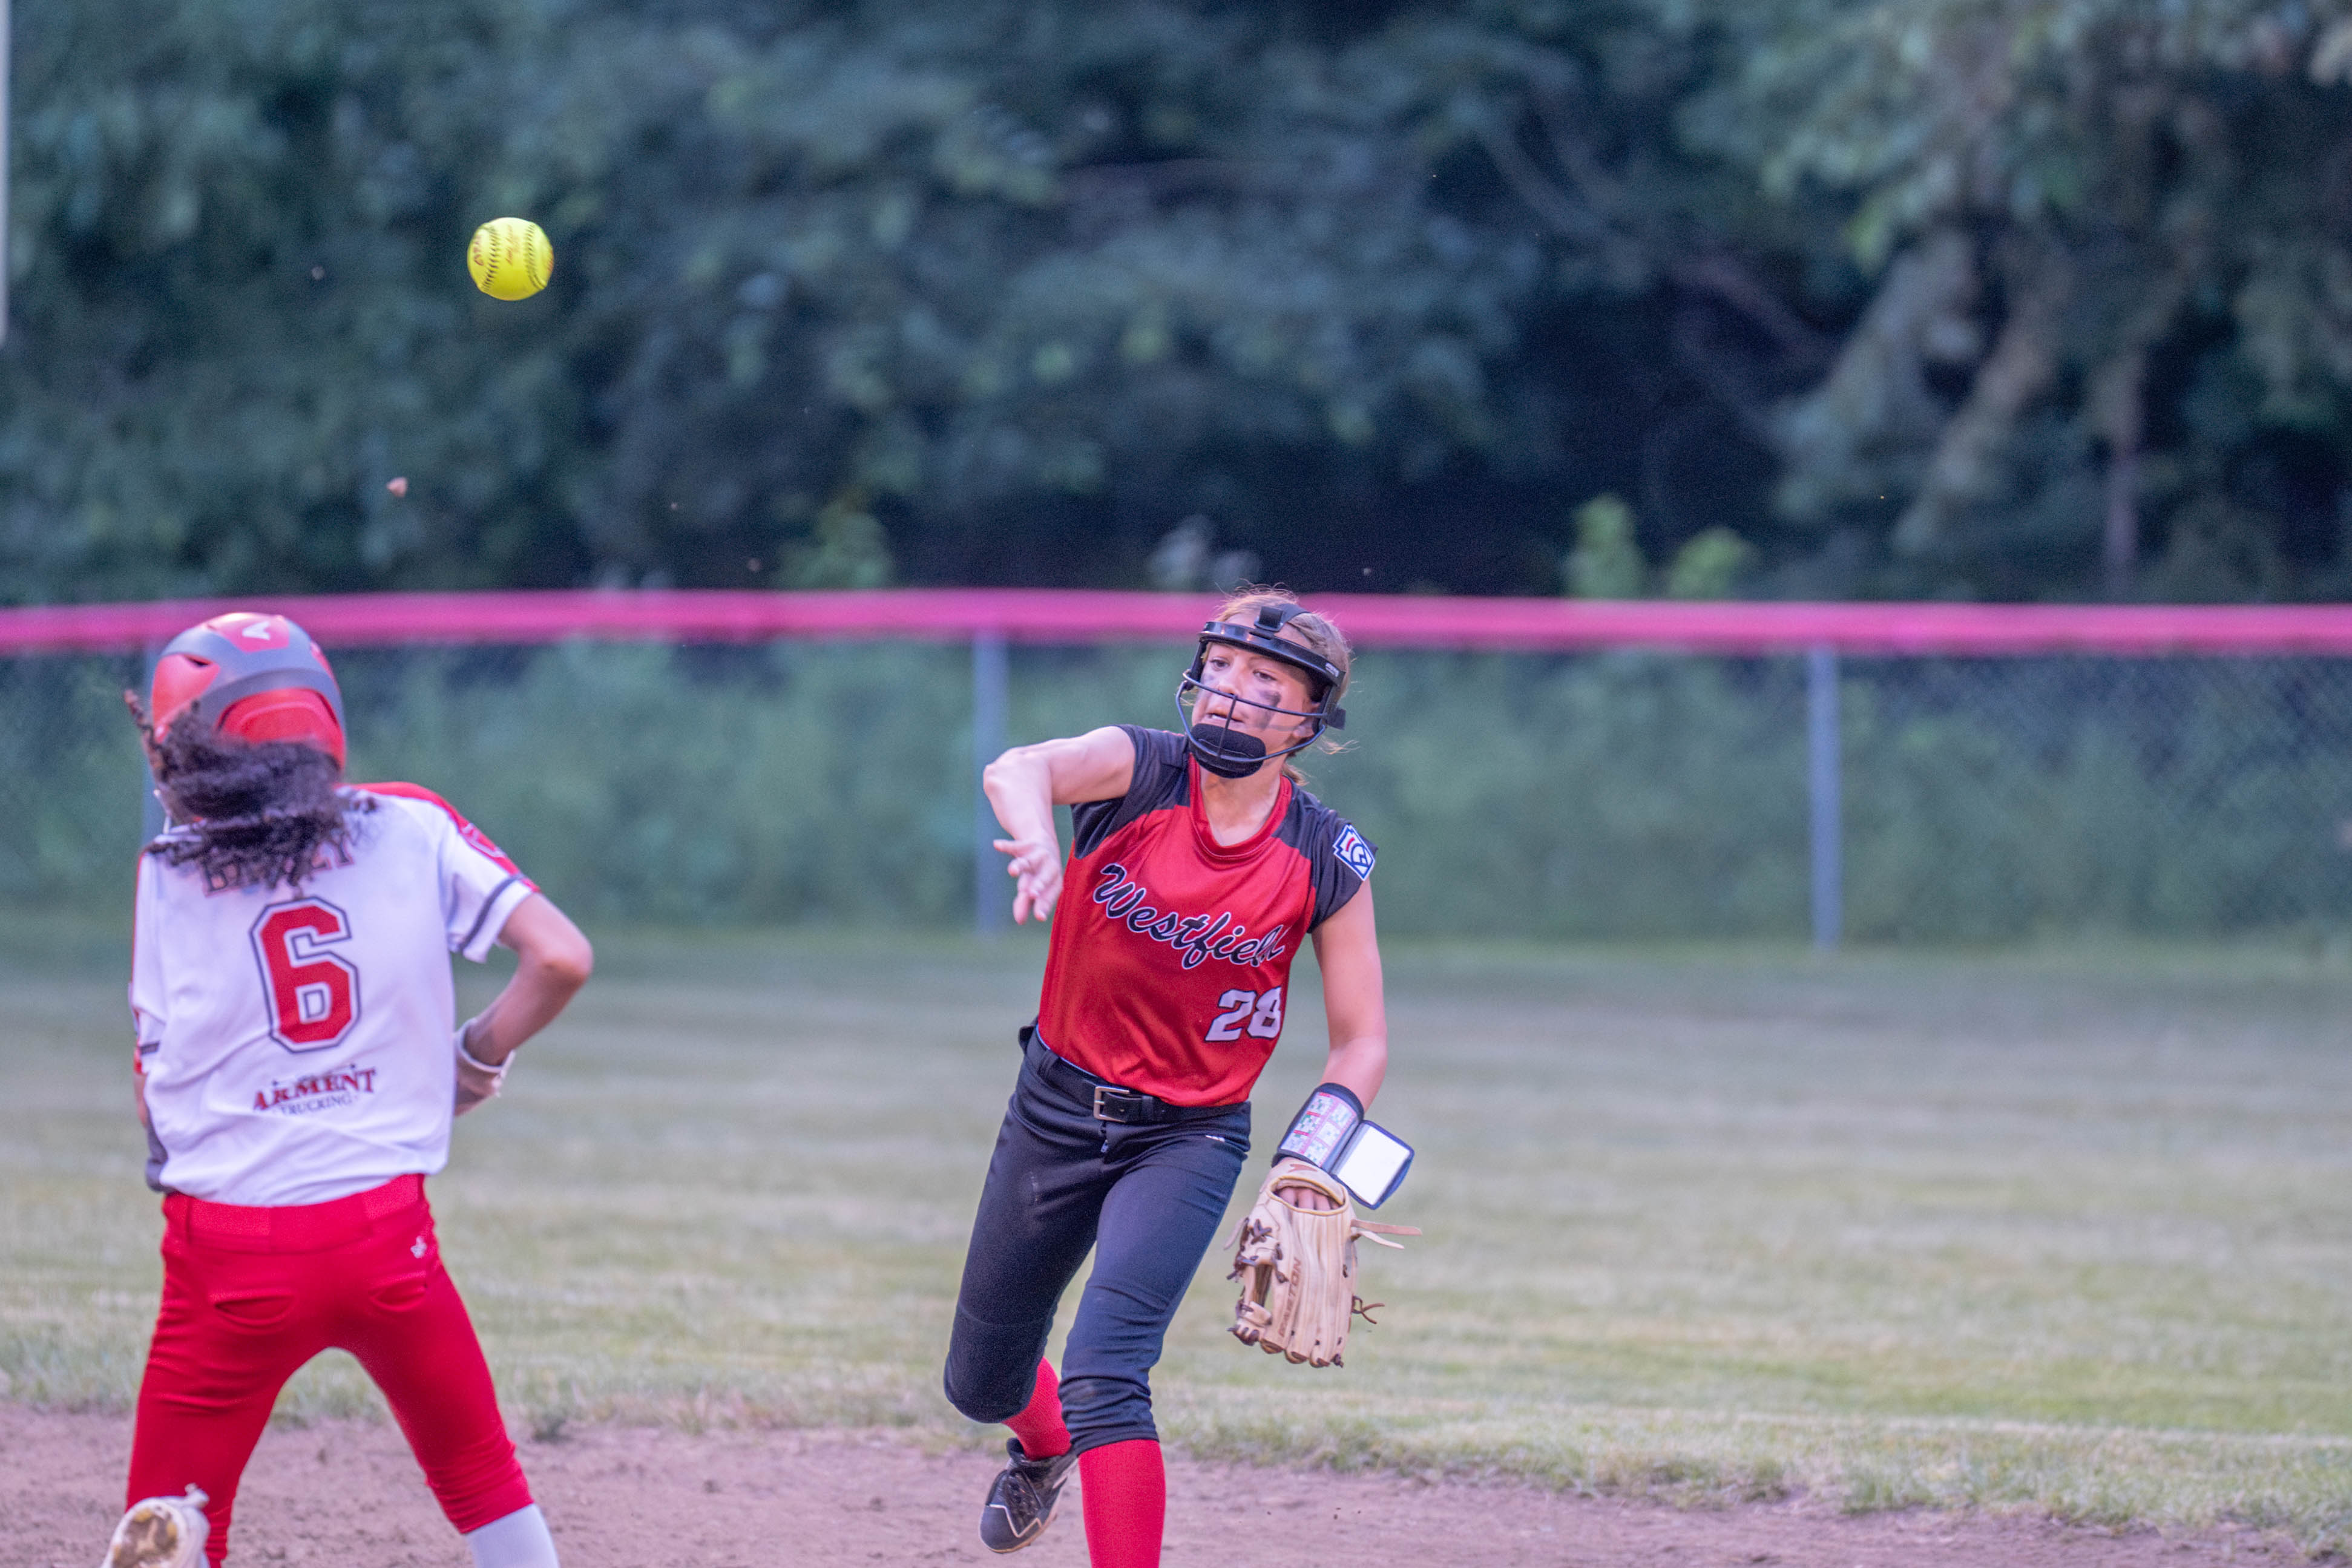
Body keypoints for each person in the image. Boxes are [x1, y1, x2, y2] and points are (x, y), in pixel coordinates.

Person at [101, 612, 593, 1568]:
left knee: (174, 1512)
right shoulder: (408, 822)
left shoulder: (166, 877)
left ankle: (177, 1528)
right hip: (386, 1241)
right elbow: (562, 958)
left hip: (229, 1256)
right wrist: (475, 1060)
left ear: (189, 758)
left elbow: (153, 1098)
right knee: (483, 1479)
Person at [942, 590, 1388, 1567]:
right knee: (979, 1383)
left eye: (1264, 680)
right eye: (1220, 668)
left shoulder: (1323, 854)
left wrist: (1310, 1164)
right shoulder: (1142, 769)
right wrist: (1030, 835)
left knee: (1109, 1371)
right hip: (1055, 1110)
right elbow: (1021, 767)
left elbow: (1362, 1043)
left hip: (1187, 1136)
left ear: (1308, 718)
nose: (1231, 693)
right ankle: (1040, 1447)